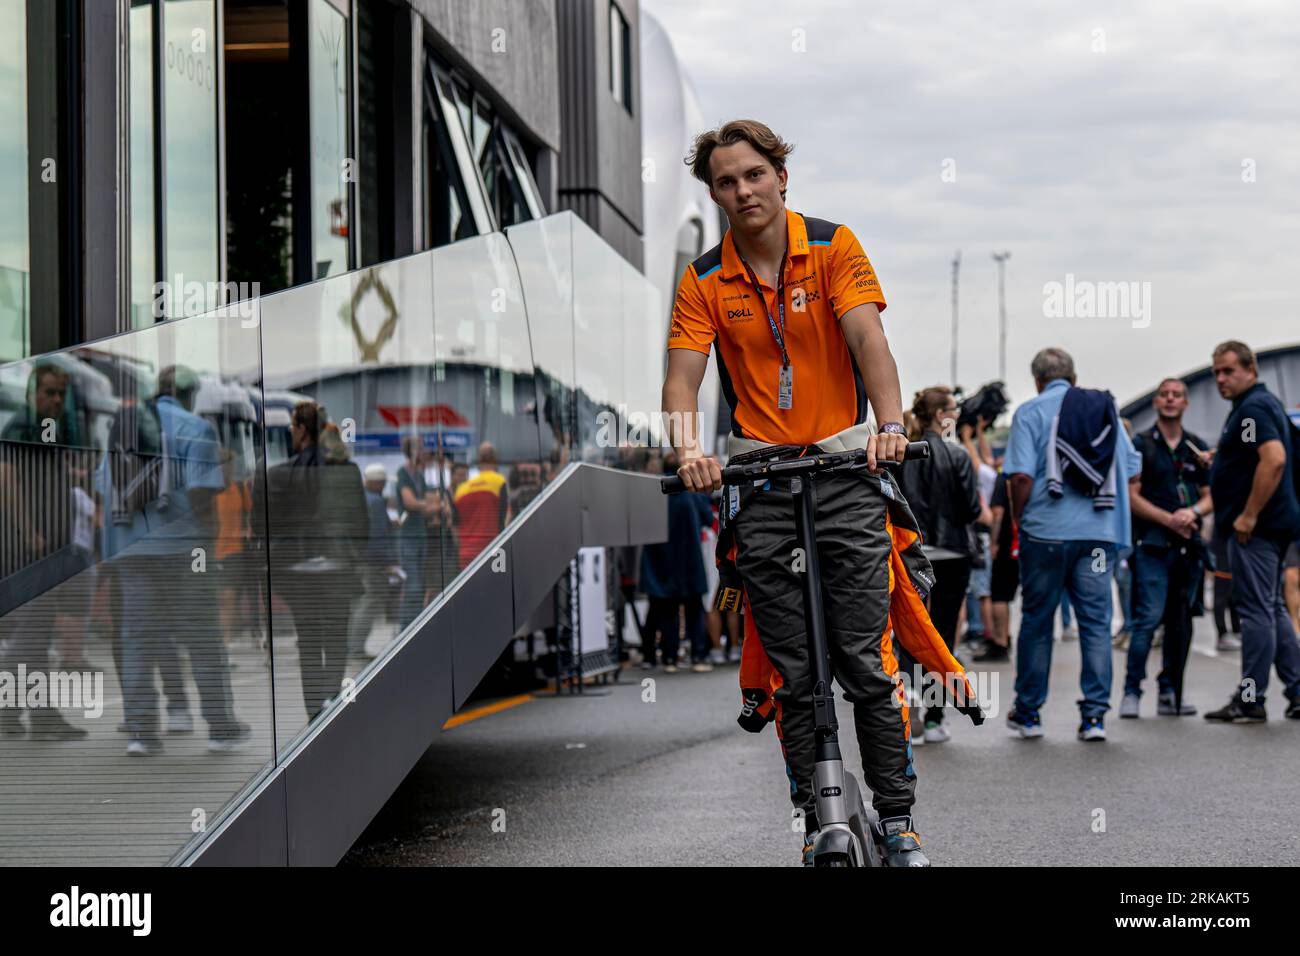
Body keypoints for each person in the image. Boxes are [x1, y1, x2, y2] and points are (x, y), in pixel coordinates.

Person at [664, 119, 976, 866]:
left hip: (843, 470)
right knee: (795, 673)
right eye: (726, 183)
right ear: (714, 195)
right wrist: (687, 450)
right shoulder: (705, 278)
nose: (742, 191)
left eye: (753, 175)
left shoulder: (834, 246)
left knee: (868, 662)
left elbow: (869, 341)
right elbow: (683, 376)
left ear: (780, 176)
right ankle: (816, 812)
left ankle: (898, 819)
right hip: (762, 479)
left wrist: (891, 425)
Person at [99, 365, 250, 754]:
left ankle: (141, 733)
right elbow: (202, 493)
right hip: (183, 548)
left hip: (131, 548)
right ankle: (220, 727)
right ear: (189, 394)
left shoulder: (125, 426)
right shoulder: (194, 428)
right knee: (201, 634)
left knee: (138, 639)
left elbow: (103, 488)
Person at [1003, 347, 1141, 742]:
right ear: (1074, 378)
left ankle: (1029, 714)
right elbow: (1132, 469)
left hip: (1045, 533)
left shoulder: (1029, 413)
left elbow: (1021, 478)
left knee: (1037, 622)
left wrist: (1019, 517)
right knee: (1096, 624)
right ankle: (1094, 717)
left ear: (1037, 380)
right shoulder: (1104, 411)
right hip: (1098, 536)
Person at [1203, 341, 1300, 722]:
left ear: (1250, 369)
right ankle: (1296, 691)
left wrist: (1248, 515)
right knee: (1272, 607)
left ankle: (1250, 697)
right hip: (1275, 526)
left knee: (1255, 611)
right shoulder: (1257, 407)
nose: (1220, 379)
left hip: (1256, 529)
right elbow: (1254, 452)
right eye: (1215, 373)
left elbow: (1273, 460)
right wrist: (1222, 457)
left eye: (1228, 371)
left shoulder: (1253, 408)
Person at [262, 401, 368, 720]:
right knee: (337, 637)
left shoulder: (280, 474)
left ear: (302, 430)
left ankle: (313, 711)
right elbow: (361, 523)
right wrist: (351, 556)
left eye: (292, 428)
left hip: (298, 572)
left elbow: (267, 527)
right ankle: (333, 701)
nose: (290, 433)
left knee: (308, 640)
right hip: (337, 568)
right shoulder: (347, 472)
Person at [1120, 378, 1212, 718]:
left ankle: (1171, 689)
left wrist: (1193, 513)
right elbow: (1131, 496)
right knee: (1148, 618)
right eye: (1164, 395)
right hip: (1152, 546)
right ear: (1156, 402)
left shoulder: (1197, 447)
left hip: (1188, 548)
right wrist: (1167, 518)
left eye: (1177, 395)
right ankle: (1132, 690)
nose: (1170, 399)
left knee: (1181, 621)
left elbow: (1209, 495)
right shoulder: (1141, 445)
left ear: (1186, 403)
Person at [896, 386, 982, 743]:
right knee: (943, 635)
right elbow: (971, 510)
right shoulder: (958, 455)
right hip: (953, 551)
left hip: (914, 552)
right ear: (941, 415)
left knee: (911, 631)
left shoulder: (903, 455)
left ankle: (910, 699)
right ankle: (934, 718)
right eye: (953, 409)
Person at [639, 452, 715, 672]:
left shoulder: (654, 491)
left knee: (667, 612)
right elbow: (708, 519)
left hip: (661, 561)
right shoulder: (692, 491)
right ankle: (698, 656)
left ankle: (670, 658)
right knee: (694, 609)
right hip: (689, 559)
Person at [349, 462, 400, 659]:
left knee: (359, 603)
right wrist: (387, 561)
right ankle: (355, 648)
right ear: (381, 483)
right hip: (372, 560)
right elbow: (377, 534)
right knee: (369, 602)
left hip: (359, 558)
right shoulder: (376, 501)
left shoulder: (361, 498)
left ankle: (352, 646)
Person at [977, 469, 1017, 661]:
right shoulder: (1021, 475)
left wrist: (994, 543)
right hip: (1020, 544)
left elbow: (998, 513)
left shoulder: (1004, 479)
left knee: (998, 595)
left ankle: (1000, 643)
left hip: (1005, 545)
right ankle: (1004, 639)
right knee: (1005, 595)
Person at [453, 441, 510, 568]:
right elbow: (505, 518)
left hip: (467, 554)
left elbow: (455, 526)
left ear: (479, 460)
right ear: (495, 460)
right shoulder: (499, 481)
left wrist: (463, 548)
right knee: (498, 586)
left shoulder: (461, 490)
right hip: (493, 552)